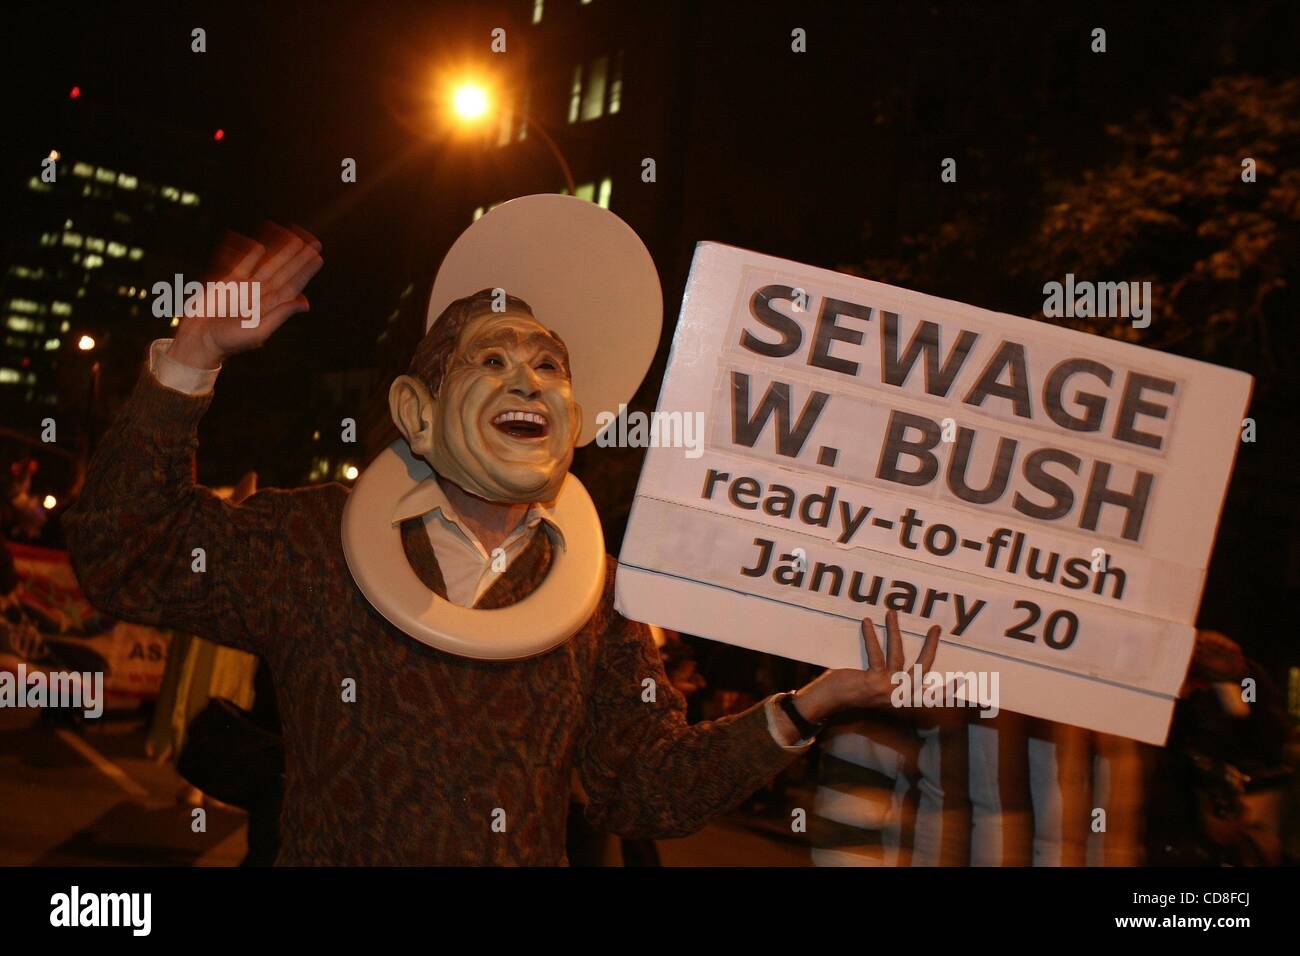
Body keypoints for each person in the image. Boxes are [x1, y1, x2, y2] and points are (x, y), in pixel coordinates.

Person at [65, 220, 943, 865]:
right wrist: (192, 356)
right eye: (491, 360)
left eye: (548, 364)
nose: (527, 376)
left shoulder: (591, 600)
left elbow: (645, 786)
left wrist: (809, 705)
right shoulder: (314, 542)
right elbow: (125, 552)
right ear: (417, 411)